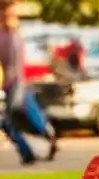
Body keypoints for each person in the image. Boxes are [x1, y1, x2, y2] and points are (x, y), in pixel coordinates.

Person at [0, 1, 56, 165]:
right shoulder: (9, 34)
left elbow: (13, 66)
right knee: (25, 118)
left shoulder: (12, 35)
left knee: (11, 121)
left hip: (16, 84)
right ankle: (41, 142)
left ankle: (31, 150)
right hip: (16, 84)